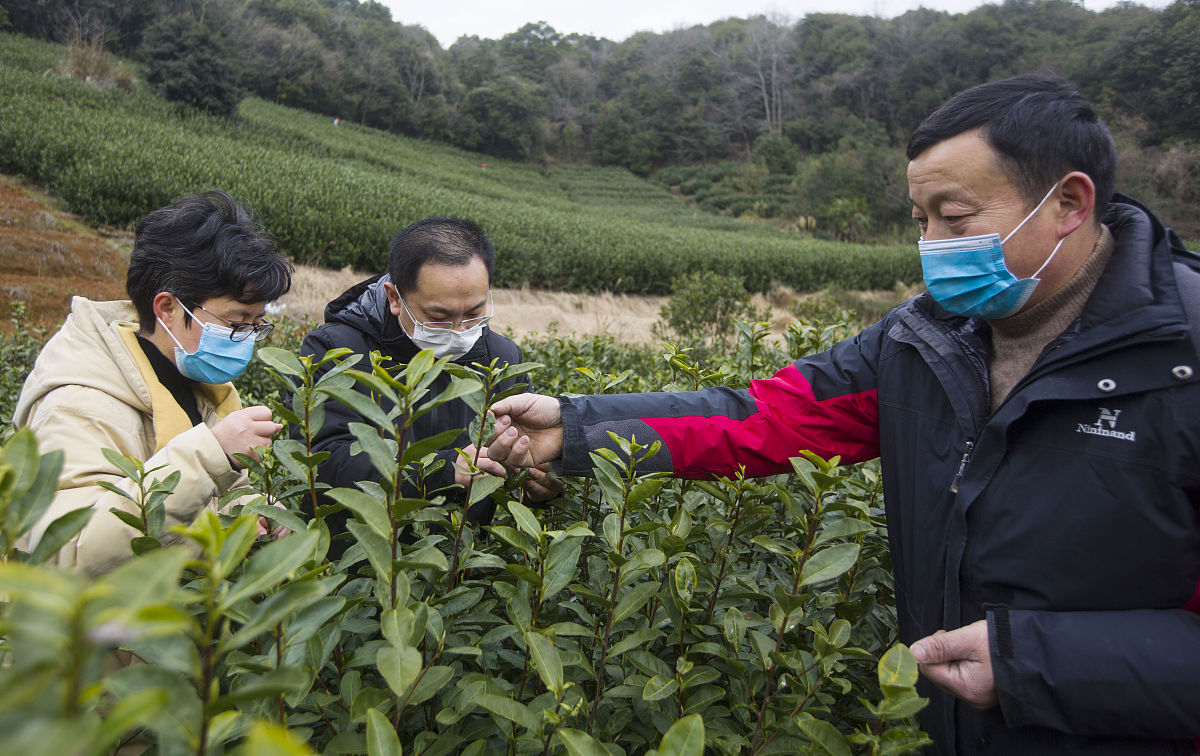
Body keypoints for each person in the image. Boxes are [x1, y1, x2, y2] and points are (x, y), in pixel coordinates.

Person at [486, 73, 1200, 755]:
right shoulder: (927, 339)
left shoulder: (1180, 358)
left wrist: (1039, 664)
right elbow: (764, 417)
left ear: (1069, 203)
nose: (932, 249)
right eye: (922, 221)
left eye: (955, 219)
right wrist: (576, 428)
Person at [14, 190, 294, 576]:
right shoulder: (78, 403)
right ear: (167, 308)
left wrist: (254, 511)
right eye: (235, 323)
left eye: (256, 324)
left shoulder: (203, 384)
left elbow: (206, 502)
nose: (246, 338)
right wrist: (211, 454)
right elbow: (65, 556)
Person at [298, 217, 560, 558]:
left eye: (474, 312)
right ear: (395, 297)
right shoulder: (336, 350)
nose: (459, 329)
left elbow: (518, 463)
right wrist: (446, 469)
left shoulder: (501, 358)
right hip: (359, 563)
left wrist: (537, 487)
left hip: (460, 568)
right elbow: (323, 462)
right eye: (438, 317)